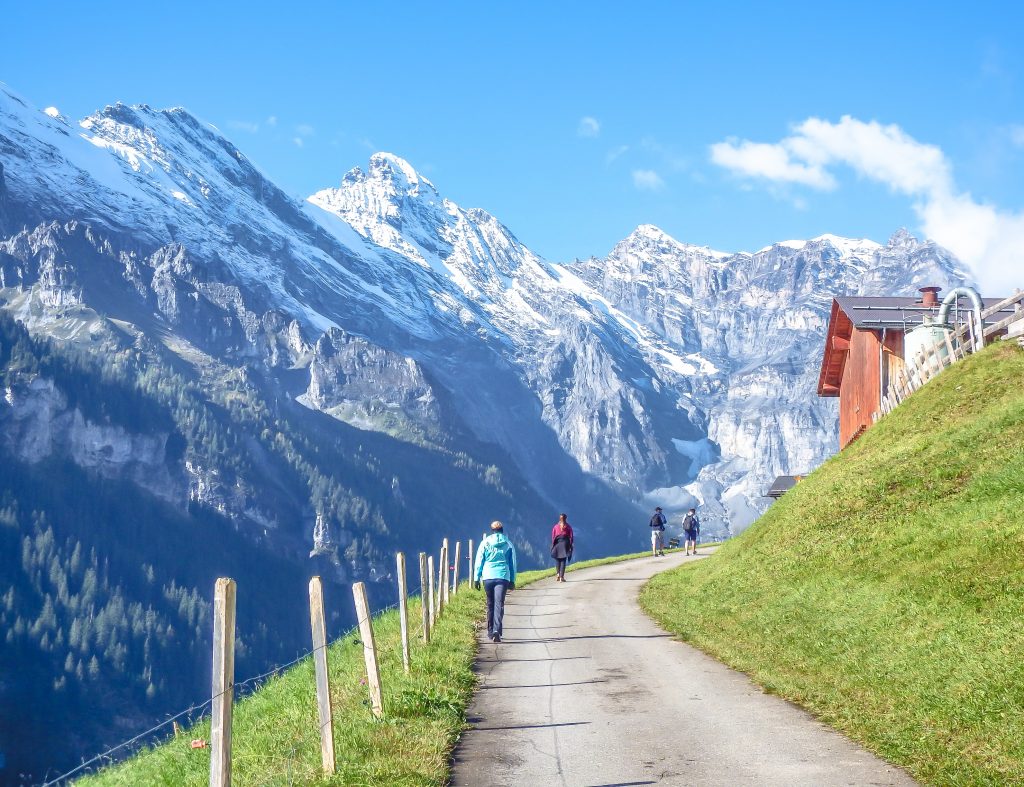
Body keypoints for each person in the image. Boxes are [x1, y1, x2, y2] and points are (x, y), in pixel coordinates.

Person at [473, 520, 518, 643]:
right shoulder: (508, 544)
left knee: (490, 604)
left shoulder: (485, 543)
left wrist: (476, 578)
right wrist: (513, 580)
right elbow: (512, 563)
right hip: (503, 576)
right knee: (499, 604)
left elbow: (479, 561)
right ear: (502, 530)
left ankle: (490, 631)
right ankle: (497, 630)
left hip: (488, 576)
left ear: (492, 531)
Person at [550, 513, 574, 582]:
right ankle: (561, 577)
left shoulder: (555, 527)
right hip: (565, 543)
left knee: (557, 559)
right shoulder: (568, 526)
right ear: (566, 518)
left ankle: (558, 574)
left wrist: (553, 544)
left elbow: (553, 536)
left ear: (559, 519)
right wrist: (571, 545)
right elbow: (571, 537)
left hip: (557, 543)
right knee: (563, 560)